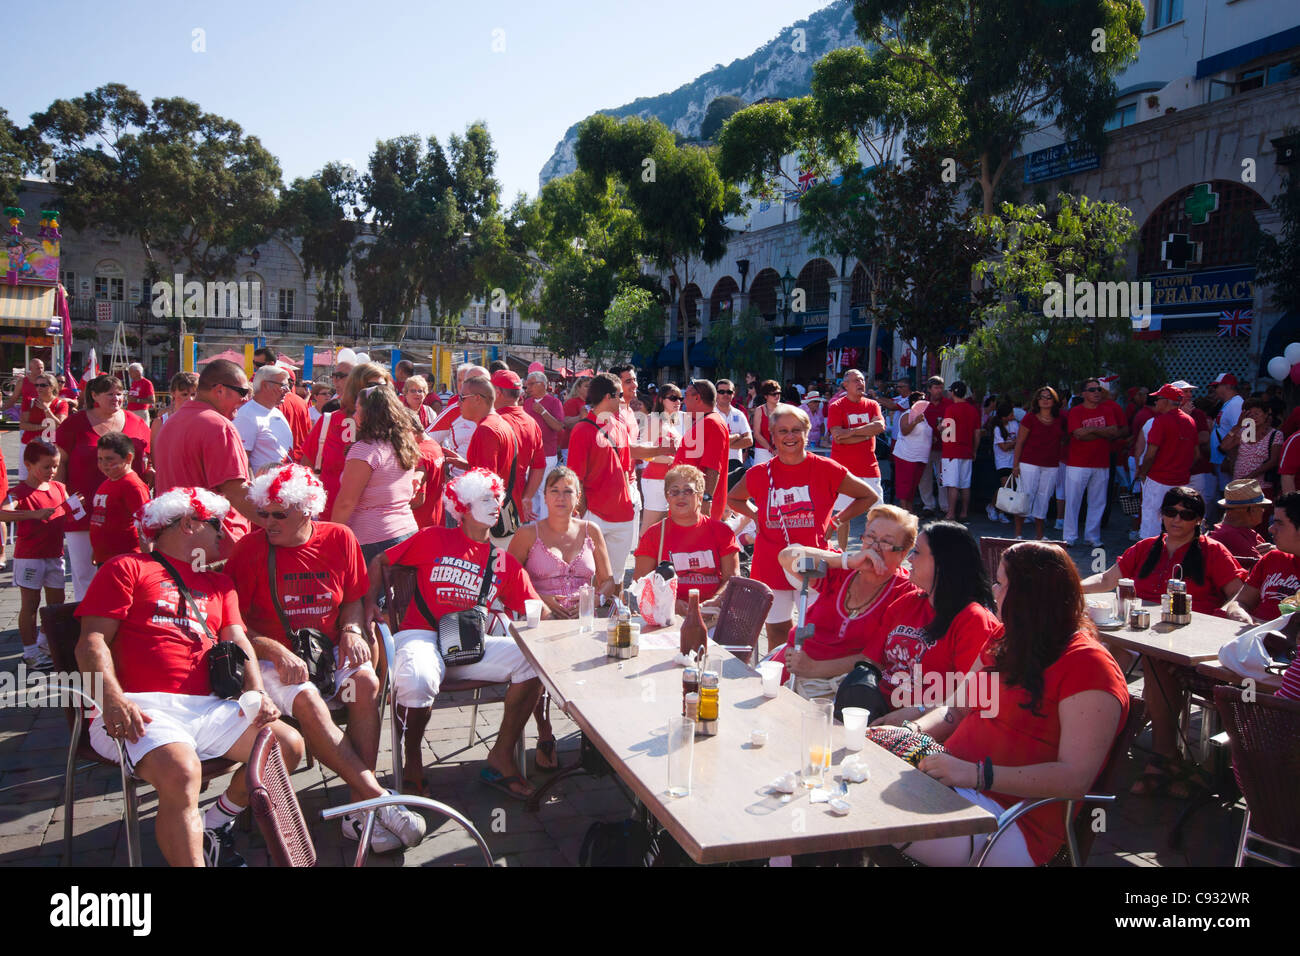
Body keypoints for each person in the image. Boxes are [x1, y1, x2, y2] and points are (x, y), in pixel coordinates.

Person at [74, 487, 304, 867]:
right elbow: (91, 642)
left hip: (208, 706)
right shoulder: (127, 567)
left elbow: (238, 640)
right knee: (183, 771)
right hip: (139, 706)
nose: (224, 536)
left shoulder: (219, 583)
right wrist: (112, 698)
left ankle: (215, 822)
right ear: (188, 523)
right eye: (218, 526)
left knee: (286, 747)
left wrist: (257, 693)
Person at [227, 464, 425, 853]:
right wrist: (274, 649)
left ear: (307, 509)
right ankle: (375, 799)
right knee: (307, 697)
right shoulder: (249, 550)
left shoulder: (339, 538)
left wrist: (351, 629)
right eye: (262, 513)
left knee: (365, 683)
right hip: (270, 659)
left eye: (278, 514)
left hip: (327, 651)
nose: (267, 522)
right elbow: (231, 625)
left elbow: (353, 598)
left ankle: (356, 809)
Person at [899, 541, 1128, 866]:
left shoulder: (1090, 666)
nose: (993, 591)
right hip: (955, 784)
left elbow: (1074, 779)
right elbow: (957, 709)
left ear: (1027, 596)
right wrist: (910, 732)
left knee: (857, 810)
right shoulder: (1008, 638)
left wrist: (977, 775)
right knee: (847, 783)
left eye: (1001, 583)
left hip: (1012, 822)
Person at [365, 469, 546, 800]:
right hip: (420, 635)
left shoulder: (502, 562)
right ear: (462, 507)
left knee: (533, 661)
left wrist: (567, 610)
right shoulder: (432, 538)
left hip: (467, 645)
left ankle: (501, 754)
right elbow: (380, 562)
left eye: (497, 499)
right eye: (485, 499)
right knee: (417, 678)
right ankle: (414, 759)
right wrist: (369, 606)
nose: (496, 505)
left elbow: (536, 609)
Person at [1082, 486, 1246, 795]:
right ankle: (1100, 733)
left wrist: (1232, 609)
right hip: (1140, 629)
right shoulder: (1145, 547)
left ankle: (1163, 755)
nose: (1176, 520)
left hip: (1190, 638)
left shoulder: (1212, 551)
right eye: (1171, 512)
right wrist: (1072, 587)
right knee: (1101, 656)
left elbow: (1237, 592)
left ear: (1198, 520)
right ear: (1161, 514)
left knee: (1159, 662)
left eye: (1186, 515)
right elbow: (1106, 580)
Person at [727, 403, 879, 648]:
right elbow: (733, 498)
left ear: (807, 433)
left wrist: (836, 521)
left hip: (813, 563)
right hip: (770, 563)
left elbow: (868, 496)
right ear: (773, 436)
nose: (790, 436)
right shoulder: (758, 473)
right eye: (783, 431)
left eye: (796, 430)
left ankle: (809, 680)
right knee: (777, 633)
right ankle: (783, 679)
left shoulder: (826, 468)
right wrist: (756, 515)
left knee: (815, 633)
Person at [773, 505, 922, 699]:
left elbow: (879, 658)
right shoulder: (843, 570)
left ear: (903, 554)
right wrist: (846, 560)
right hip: (792, 662)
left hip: (838, 687)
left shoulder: (904, 593)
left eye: (886, 542)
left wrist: (813, 668)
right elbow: (786, 556)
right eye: (870, 537)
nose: (874, 547)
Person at [867, 521, 1002, 715]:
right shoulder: (907, 603)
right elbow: (872, 661)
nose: (910, 559)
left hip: (924, 729)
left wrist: (912, 716)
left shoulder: (973, 621)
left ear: (943, 562)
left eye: (917, 552)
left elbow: (967, 704)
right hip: (876, 708)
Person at [55, 374, 152, 597]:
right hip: (83, 509)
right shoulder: (74, 423)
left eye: (120, 393)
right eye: (110, 394)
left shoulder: (137, 422)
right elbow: (59, 464)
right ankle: (84, 618)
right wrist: (62, 498)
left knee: (123, 573)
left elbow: (147, 457)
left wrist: (150, 471)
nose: (117, 398)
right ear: (94, 395)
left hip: (124, 514)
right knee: (84, 573)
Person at [150, 360, 258, 554]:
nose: (246, 400)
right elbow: (236, 492)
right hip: (214, 545)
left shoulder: (172, 421)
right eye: (243, 392)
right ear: (219, 390)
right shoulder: (219, 426)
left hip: (175, 543)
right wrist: (277, 520)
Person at [330, 383, 421, 564]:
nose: (354, 415)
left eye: (357, 409)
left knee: (368, 593)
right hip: (407, 532)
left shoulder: (365, 450)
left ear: (370, 413)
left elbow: (345, 503)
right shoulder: (404, 443)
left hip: (373, 541)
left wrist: (331, 537)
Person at [633, 464, 740, 613]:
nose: (681, 496)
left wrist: (716, 600)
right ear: (667, 497)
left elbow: (732, 577)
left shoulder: (722, 531)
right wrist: (670, 603)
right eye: (674, 492)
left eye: (688, 491)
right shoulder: (654, 534)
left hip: (713, 613)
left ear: (700, 496)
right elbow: (641, 581)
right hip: (667, 614)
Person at [2, 441, 70, 670]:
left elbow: (69, 511)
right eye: (46, 467)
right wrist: (34, 515)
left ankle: (45, 645)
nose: (52, 471)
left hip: (55, 555)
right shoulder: (19, 491)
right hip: (29, 556)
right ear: (29, 465)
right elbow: (3, 513)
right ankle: (30, 652)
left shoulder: (59, 488)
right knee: (30, 604)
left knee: (56, 604)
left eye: (55, 466)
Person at [567, 372, 637, 580]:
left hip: (623, 514)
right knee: (590, 578)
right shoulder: (581, 430)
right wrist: (581, 513)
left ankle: (614, 611)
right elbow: (575, 479)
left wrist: (629, 503)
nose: (623, 400)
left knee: (617, 577)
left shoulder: (620, 427)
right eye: (619, 395)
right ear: (608, 397)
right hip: (594, 515)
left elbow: (625, 471)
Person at [303, 362, 389, 518]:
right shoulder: (329, 421)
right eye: (372, 386)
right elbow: (306, 467)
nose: (378, 392)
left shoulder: (396, 427)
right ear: (356, 387)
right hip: (332, 515)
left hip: (377, 524)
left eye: (383, 387)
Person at [1063, 378, 1126, 548]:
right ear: (1083, 393)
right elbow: (1078, 434)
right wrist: (1101, 432)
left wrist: (1090, 430)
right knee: (1073, 501)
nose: (1096, 392)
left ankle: (1092, 536)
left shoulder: (1108, 409)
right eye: (1092, 390)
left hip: (1101, 463)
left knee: (1098, 502)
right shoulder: (1075, 411)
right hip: (1077, 463)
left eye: (1098, 389)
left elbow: (1113, 432)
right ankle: (1069, 536)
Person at [828, 369, 887, 547]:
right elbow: (837, 435)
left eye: (862, 379)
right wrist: (864, 433)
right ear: (845, 385)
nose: (860, 383)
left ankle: (874, 549)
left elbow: (879, 426)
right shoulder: (836, 406)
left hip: (869, 467)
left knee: (878, 513)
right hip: (844, 469)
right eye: (855, 380)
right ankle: (843, 554)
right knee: (843, 514)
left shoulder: (871, 404)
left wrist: (851, 432)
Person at [1135, 384, 1199, 539]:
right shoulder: (1190, 421)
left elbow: (1150, 454)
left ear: (1166, 401)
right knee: (1176, 520)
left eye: (1158, 399)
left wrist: (1143, 473)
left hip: (1158, 479)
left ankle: (1148, 554)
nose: (1155, 402)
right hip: (1181, 480)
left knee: (1151, 519)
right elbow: (1196, 455)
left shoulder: (1160, 421)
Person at [1231, 491, 1300, 621]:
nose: (1271, 529)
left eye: (1280, 523)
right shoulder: (1273, 558)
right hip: (1254, 635)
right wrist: (1239, 614)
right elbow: (1240, 602)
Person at [671, 379, 730, 523]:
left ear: (697, 398)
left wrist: (706, 499)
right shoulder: (706, 421)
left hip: (696, 505)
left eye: (687, 395)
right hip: (688, 501)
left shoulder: (712, 423)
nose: (684, 400)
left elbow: (713, 467)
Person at [493, 369, 546, 527]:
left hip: (495, 510)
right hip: (518, 507)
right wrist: (527, 497)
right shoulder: (531, 422)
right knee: (512, 551)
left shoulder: (493, 423)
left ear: (497, 393)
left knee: (495, 551)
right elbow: (539, 466)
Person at [1010, 385, 1065, 540]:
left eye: (1049, 397)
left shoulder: (1060, 418)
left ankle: (1039, 536)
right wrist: (1015, 465)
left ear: (1054, 401)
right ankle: (1018, 534)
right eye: (1042, 397)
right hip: (1029, 463)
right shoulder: (1030, 418)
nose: (1045, 400)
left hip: (1051, 465)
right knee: (1025, 497)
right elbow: (1019, 442)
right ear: (1037, 400)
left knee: (1044, 498)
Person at [88, 432, 151, 566]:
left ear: (128, 458)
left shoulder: (132, 485)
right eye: (100, 459)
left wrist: (147, 560)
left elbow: (145, 525)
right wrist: (97, 551)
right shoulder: (108, 482)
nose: (104, 464)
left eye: (109, 459)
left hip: (125, 559)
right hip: (105, 558)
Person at [638, 384, 684, 536]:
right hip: (655, 479)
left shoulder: (670, 422)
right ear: (661, 400)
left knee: (662, 527)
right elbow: (645, 453)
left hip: (668, 479)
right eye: (673, 398)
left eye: (680, 398)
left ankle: (656, 558)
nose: (678, 401)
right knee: (650, 526)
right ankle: (641, 557)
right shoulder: (653, 419)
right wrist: (674, 459)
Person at [233, 364, 294, 474]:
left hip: (280, 485)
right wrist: (252, 488)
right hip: (261, 487)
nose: (288, 390)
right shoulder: (247, 416)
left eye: (288, 386)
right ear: (265, 385)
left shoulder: (276, 412)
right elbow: (241, 459)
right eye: (283, 385)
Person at [253, 349, 311, 460]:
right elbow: (309, 434)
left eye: (259, 365)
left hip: (281, 461)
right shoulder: (301, 402)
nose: (256, 368)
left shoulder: (273, 403)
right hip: (299, 460)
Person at [1219, 397, 1282, 501]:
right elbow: (1224, 446)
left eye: (1257, 413)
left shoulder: (1275, 435)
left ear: (1266, 415)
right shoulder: (1243, 432)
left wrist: (1249, 477)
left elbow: (1273, 461)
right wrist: (1237, 426)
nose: (1253, 417)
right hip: (1238, 486)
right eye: (1250, 414)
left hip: (1261, 487)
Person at [936, 381, 980, 523]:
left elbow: (947, 433)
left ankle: (950, 513)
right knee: (965, 484)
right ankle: (964, 512)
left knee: (952, 484)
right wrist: (974, 450)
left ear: (953, 392)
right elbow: (977, 433)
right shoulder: (973, 410)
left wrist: (940, 427)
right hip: (967, 450)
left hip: (952, 451)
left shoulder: (951, 409)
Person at [522, 371, 565, 517]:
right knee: (531, 491)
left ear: (543, 385)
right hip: (529, 456)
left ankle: (544, 528)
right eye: (527, 385)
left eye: (532, 384)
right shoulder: (526, 403)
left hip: (547, 454)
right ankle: (534, 529)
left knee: (544, 491)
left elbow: (559, 426)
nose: (528, 388)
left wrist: (543, 412)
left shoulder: (554, 402)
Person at [429, 363, 489, 460]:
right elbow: (428, 439)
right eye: (459, 380)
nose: (462, 384)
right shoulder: (454, 408)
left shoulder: (497, 411)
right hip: (459, 474)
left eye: (466, 381)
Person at [18, 372, 69, 481]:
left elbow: (59, 425)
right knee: (25, 481)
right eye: (36, 385)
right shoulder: (30, 401)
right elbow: (23, 425)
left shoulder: (61, 403)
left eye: (43, 385)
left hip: (51, 448)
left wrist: (46, 409)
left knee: (51, 481)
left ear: (52, 386)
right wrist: (44, 426)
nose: (38, 388)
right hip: (29, 445)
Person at [1209, 479, 1273, 558]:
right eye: (1263, 507)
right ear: (1252, 510)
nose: (1263, 511)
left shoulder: (1236, 532)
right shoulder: (1231, 537)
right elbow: (1263, 566)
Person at [891, 392, 932, 515]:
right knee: (905, 485)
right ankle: (904, 512)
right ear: (914, 402)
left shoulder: (923, 416)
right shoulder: (907, 414)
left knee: (913, 486)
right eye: (921, 400)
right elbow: (904, 431)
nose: (924, 402)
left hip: (919, 457)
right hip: (906, 455)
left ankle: (909, 510)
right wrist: (915, 422)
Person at [715, 378, 753, 490]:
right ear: (716, 393)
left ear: (733, 394)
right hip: (715, 465)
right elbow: (713, 443)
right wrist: (737, 436)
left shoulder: (739, 414)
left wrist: (724, 444)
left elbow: (749, 441)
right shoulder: (710, 413)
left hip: (735, 464)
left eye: (729, 392)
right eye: (721, 391)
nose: (725, 394)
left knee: (732, 501)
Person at [1209, 372, 1243, 496]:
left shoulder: (1236, 404)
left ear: (1227, 386)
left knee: (1228, 496)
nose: (1215, 390)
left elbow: (1240, 432)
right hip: (1221, 458)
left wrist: (1229, 458)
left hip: (1227, 458)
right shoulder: (1229, 403)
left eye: (1217, 386)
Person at [986, 402, 1017, 524]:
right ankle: (1000, 511)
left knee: (1008, 487)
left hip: (1013, 460)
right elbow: (1003, 447)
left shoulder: (1014, 424)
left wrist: (1012, 444)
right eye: (1010, 414)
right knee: (1005, 487)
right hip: (1002, 461)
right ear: (1004, 417)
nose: (1013, 416)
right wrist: (1014, 443)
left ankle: (993, 506)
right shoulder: (997, 429)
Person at [150, 371, 198, 451]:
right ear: (173, 394)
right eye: (185, 394)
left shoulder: (202, 420)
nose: (190, 399)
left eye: (193, 394)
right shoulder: (160, 422)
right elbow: (156, 457)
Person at [559, 375, 591, 465]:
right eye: (586, 386)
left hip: (583, 445)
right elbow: (566, 422)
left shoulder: (589, 403)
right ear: (578, 388)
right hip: (570, 445)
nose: (589, 389)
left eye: (591, 386)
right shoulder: (572, 402)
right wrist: (582, 416)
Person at [750, 379, 782, 466]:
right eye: (773, 394)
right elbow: (756, 434)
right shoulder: (759, 410)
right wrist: (771, 449)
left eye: (779, 393)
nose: (777, 396)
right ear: (766, 396)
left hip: (781, 449)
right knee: (761, 476)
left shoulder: (785, 409)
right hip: (762, 450)